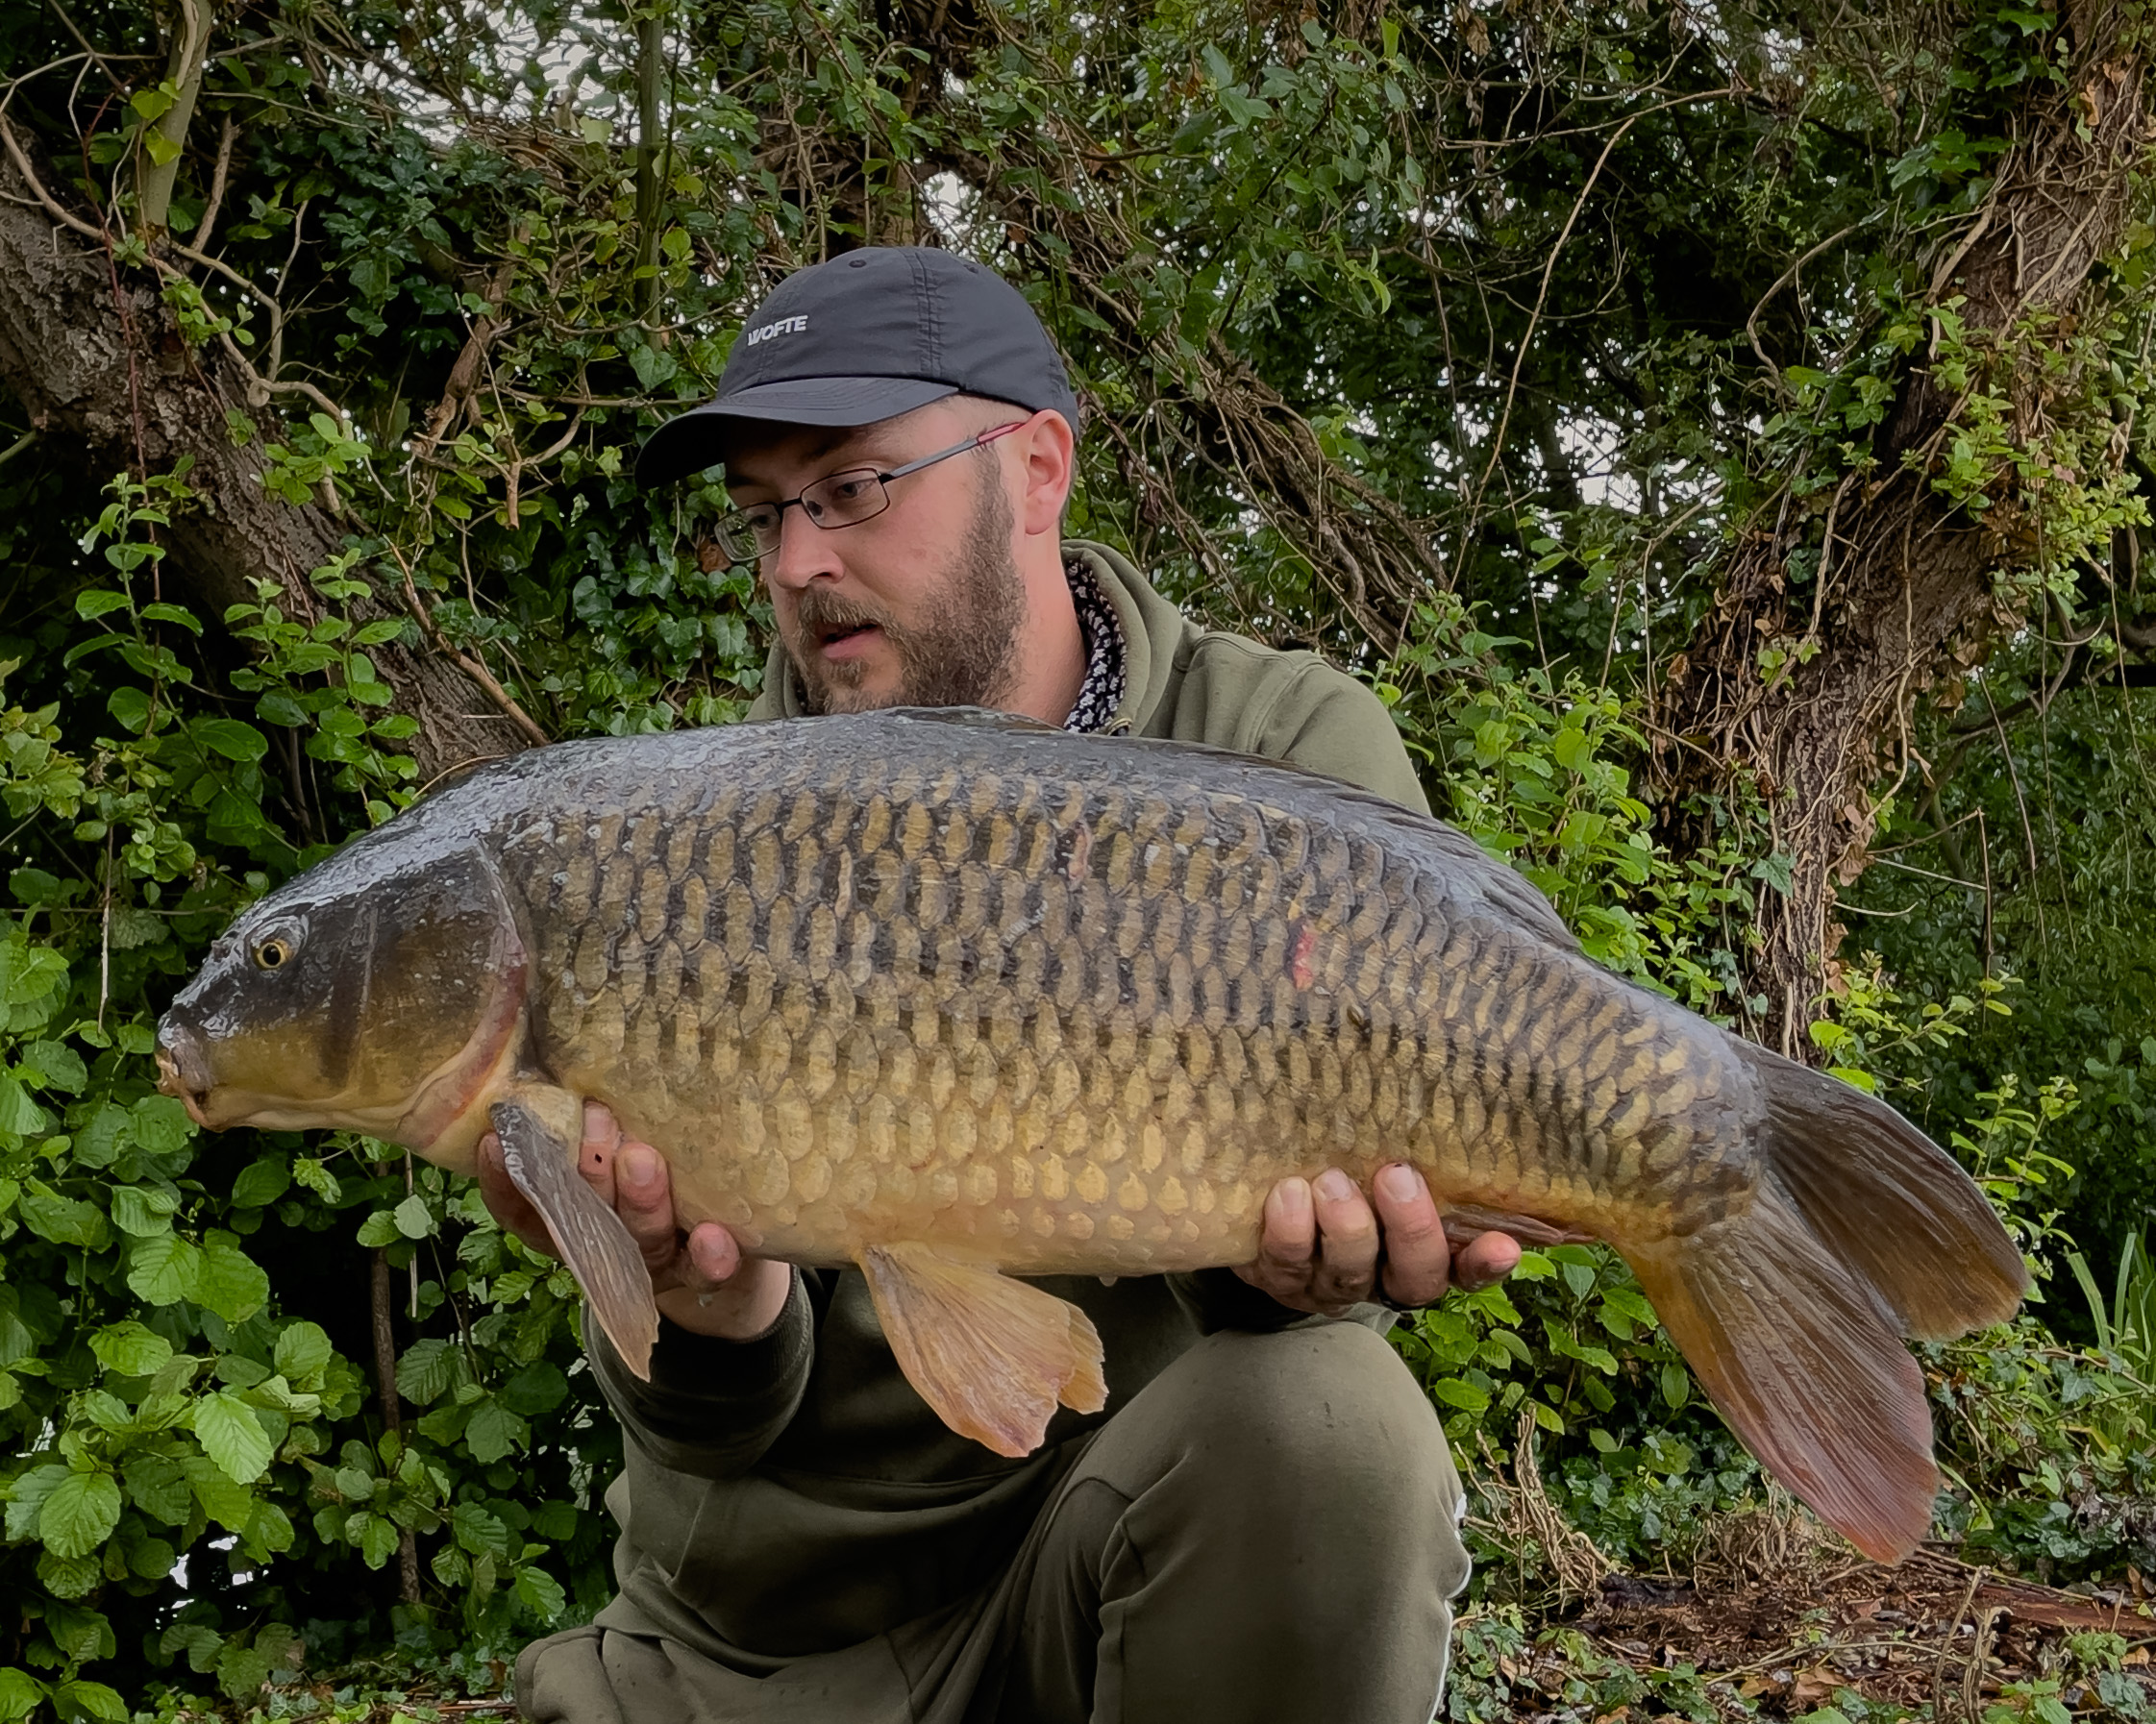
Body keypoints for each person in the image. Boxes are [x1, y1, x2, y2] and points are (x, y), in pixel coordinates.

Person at [482, 246, 1521, 1724]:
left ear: (1036, 469)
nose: (794, 561)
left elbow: (1343, 1255)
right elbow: (709, 1429)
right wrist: (702, 1302)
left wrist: (1303, 1268)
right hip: (764, 1655)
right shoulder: (681, 852)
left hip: (1132, 1580)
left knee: (1334, 1427)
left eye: (850, 487)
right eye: (765, 512)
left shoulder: (1273, 752)